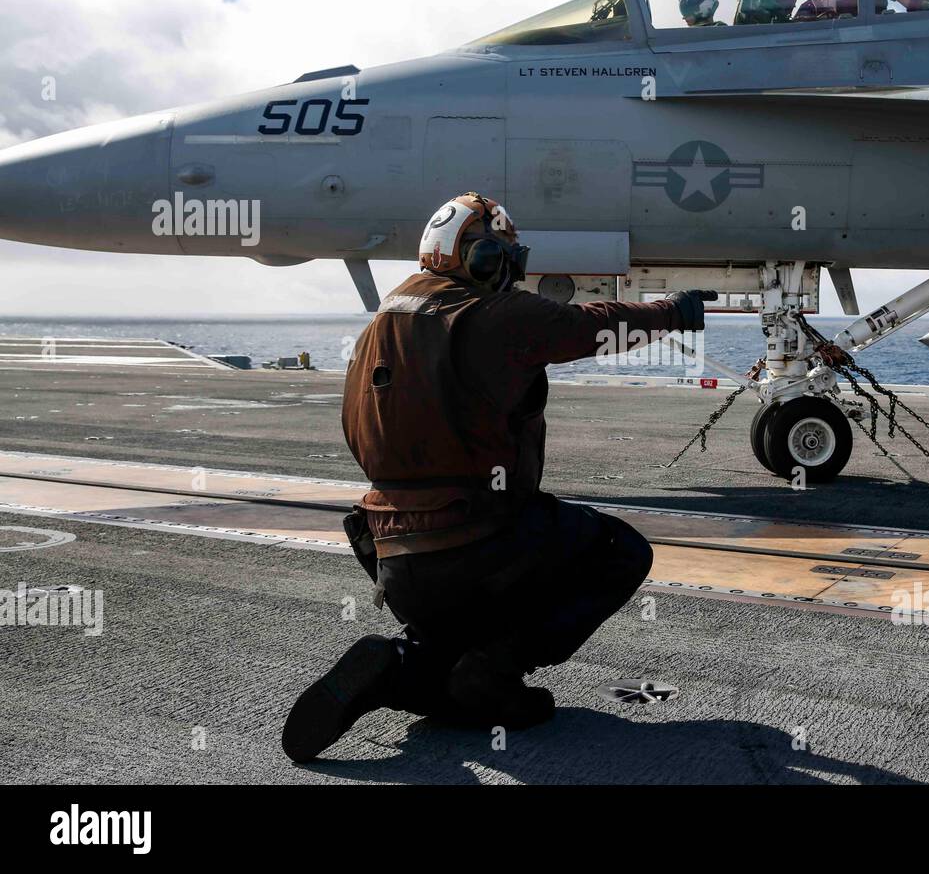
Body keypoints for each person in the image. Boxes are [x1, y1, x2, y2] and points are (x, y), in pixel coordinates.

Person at [281, 191, 715, 762]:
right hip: (477, 541)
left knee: (448, 650)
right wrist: (675, 311)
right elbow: (591, 325)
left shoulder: (381, 323)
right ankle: (495, 670)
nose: (512, 270)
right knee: (621, 550)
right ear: (483, 258)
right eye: (505, 257)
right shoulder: (488, 314)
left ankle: (399, 669)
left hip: (392, 557)